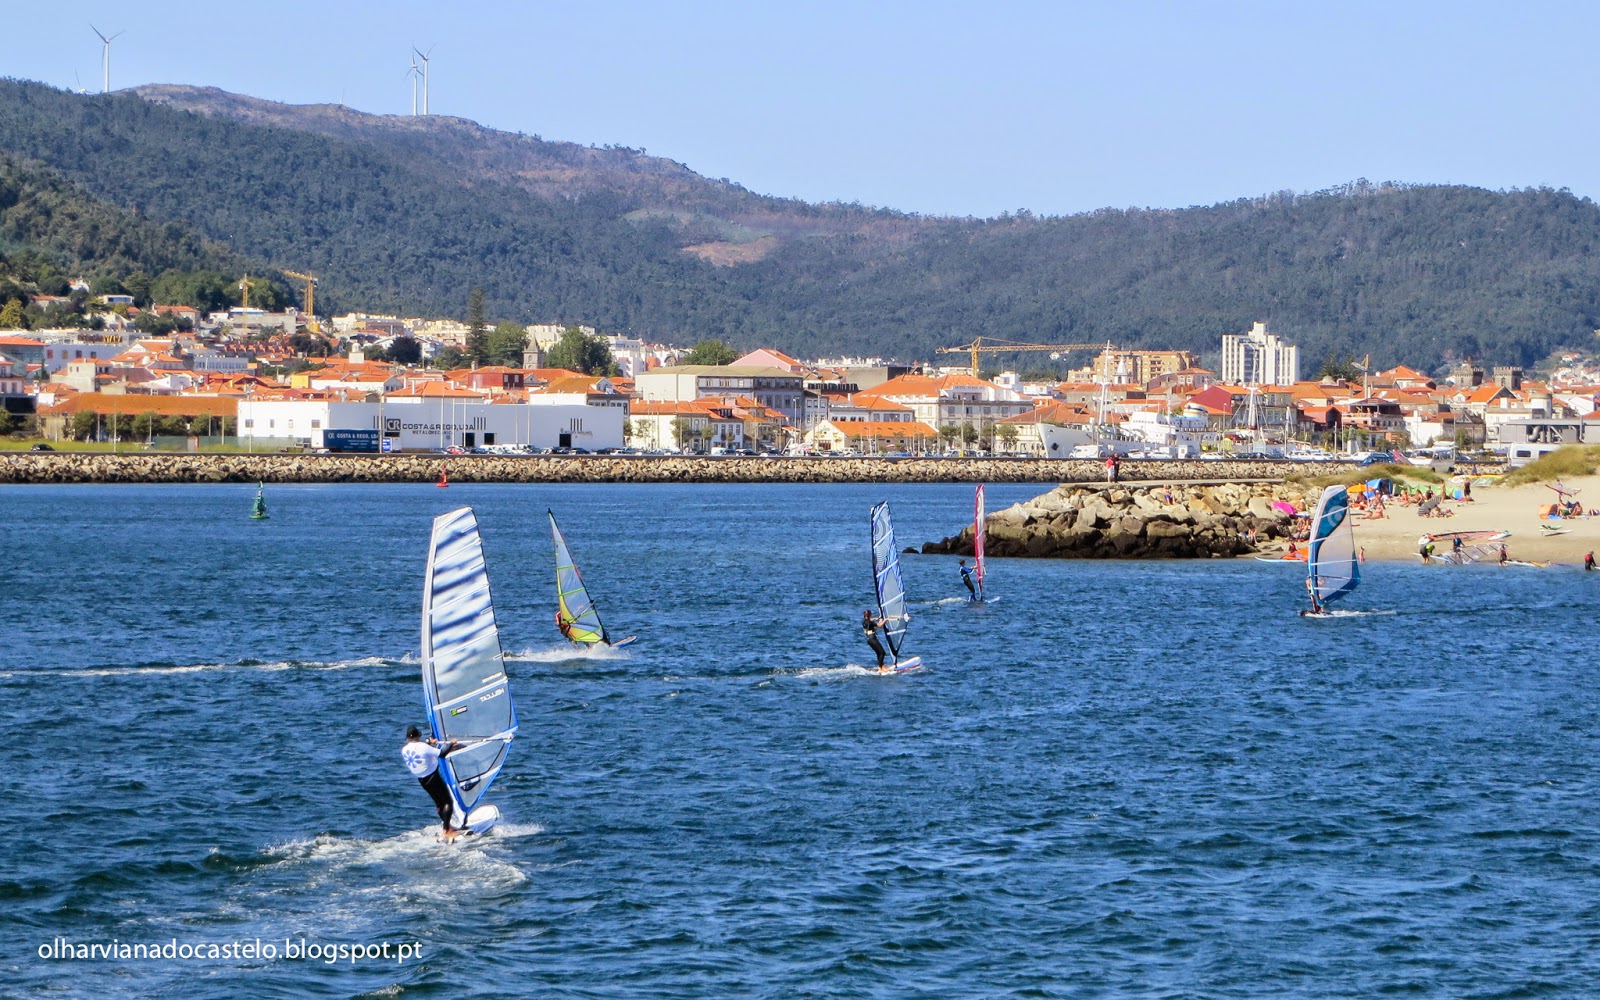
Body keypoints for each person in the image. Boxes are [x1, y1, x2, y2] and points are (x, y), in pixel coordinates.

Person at [402, 725, 468, 838]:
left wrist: (431, 743)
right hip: (433, 777)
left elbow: (422, 750)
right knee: (448, 802)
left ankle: (447, 826)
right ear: (418, 735)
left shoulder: (405, 749)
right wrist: (451, 743)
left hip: (422, 780)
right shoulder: (422, 746)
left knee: (439, 803)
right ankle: (447, 830)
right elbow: (442, 753)